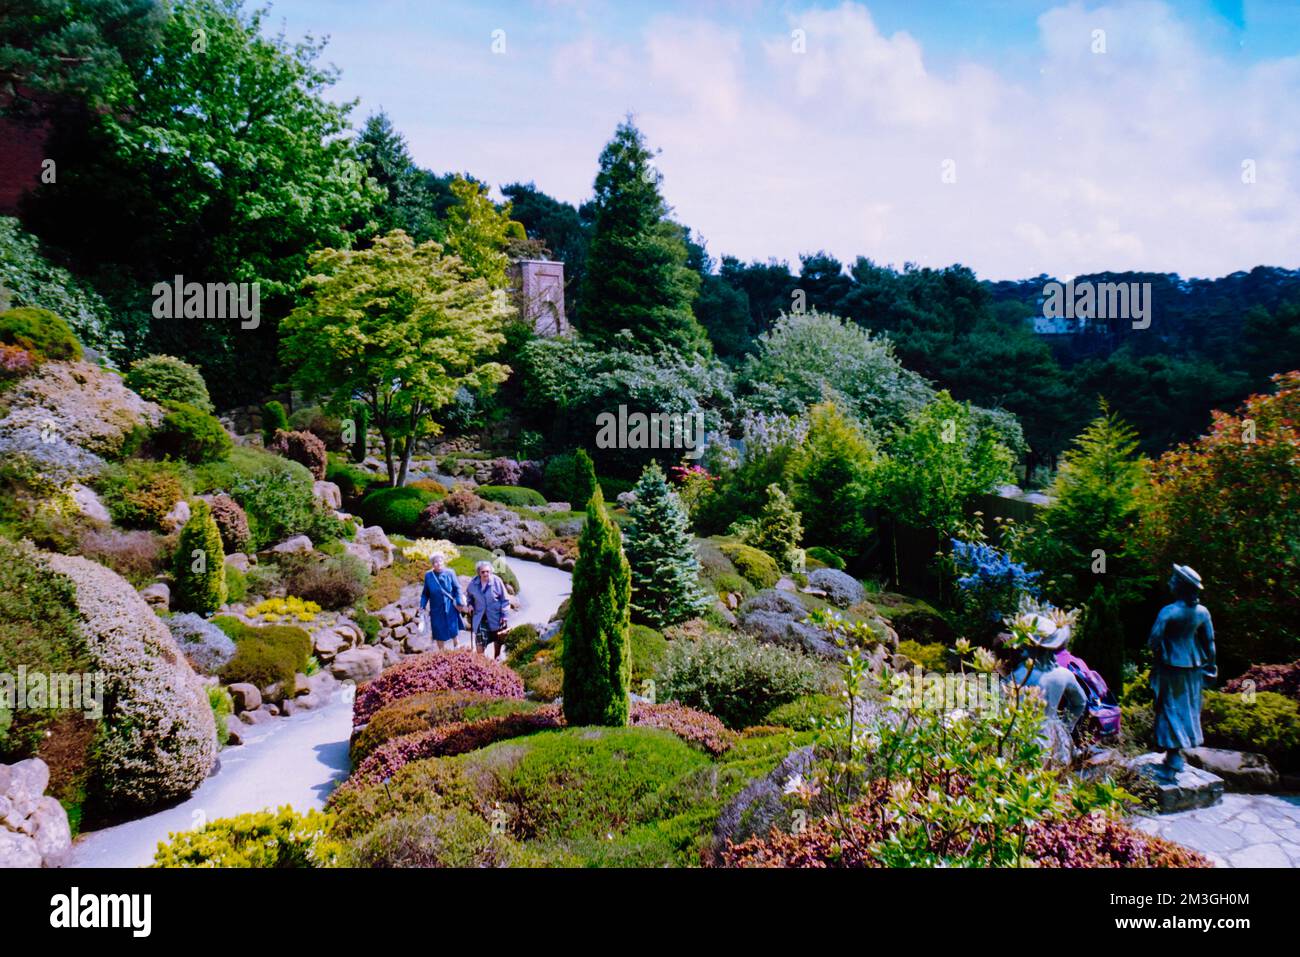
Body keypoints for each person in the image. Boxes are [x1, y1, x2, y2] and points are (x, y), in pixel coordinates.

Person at [1147, 564, 1216, 777]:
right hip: (1193, 667)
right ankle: (1176, 753)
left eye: (1173, 580)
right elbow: (1210, 643)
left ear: (1180, 586)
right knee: (1187, 708)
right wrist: (1211, 666)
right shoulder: (1202, 612)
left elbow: (1153, 641)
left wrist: (1160, 651)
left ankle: (1174, 755)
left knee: (1169, 708)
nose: (1169, 583)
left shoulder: (1168, 612)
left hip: (1171, 667)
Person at [1007, 613, 1087, 765]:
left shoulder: (1017, 677)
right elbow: (1080, 703)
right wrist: (1065, 727)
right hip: (1055, 740)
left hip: (1023, 739)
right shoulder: (1064, 674)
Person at [419, 553, 465, 652]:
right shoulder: (429, 575)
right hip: (436, 608)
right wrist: (422, 605)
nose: (438, 564)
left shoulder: (450, 573)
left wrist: (459, 601)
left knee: (453, 627)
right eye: (435, 562)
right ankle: (442, 653)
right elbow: (425, 593)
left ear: (443, 562)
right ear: (432, 564)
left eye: (440, 561)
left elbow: (457, 588)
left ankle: (457, 648)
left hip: (450, 606)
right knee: (438, 630)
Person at [466, 559, 511, 659]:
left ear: (491, 572)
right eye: (483, 572)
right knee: (479, 642)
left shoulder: (497, 581)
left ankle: (496, 658)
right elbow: (469, 597)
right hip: (480, 617)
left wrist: (504, 615)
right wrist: (470, 604)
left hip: (496, 617)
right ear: (479, 573)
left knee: (497, 639)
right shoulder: (473, 584)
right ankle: (481, 662)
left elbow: (505, 600)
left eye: (488, 571)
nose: (486, 574)